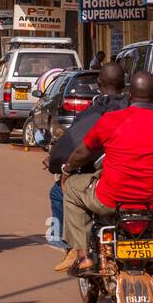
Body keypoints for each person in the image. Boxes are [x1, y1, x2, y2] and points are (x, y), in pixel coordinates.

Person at [57, 70, 153, 275]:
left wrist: (67, 169)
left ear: (129, 95)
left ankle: (83, 256)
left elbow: (84, 152)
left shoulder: (111, 119)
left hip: (110, 200)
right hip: (151, 202)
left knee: (70, 188)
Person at [46, 62, 129, 267]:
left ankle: (76, 249)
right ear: (124, 84)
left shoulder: (98, 115)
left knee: (60, 191)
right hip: (145, 187)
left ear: (99, 83)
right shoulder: (143, 116)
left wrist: (61, 166)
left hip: (106, 186)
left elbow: (77, 149)